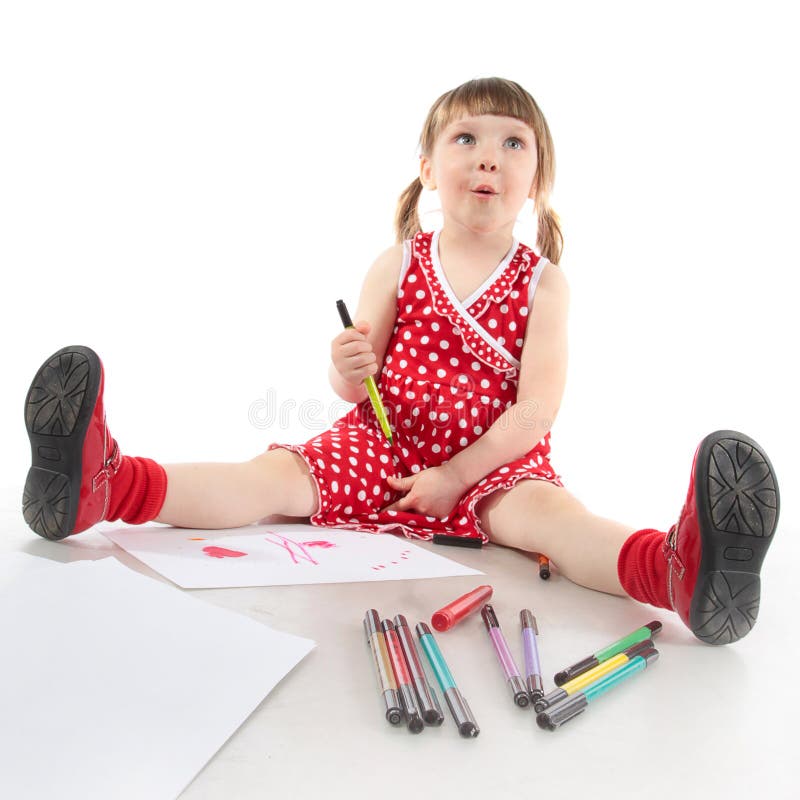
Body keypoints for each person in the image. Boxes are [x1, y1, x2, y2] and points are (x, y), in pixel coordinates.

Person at [22, 77, 779, 645]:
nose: (488, 158)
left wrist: (456, 475)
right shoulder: (396, 264)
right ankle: (107, 485)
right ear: (427, 166)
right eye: (466, 140)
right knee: (268, 479)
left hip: (494, 462)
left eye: (513, 143)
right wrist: (347, 366)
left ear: (538, 182)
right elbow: (352, 381)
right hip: (381, 444)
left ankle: (674, 572)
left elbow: (536, 411)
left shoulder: (545, 285)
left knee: (557, 521)